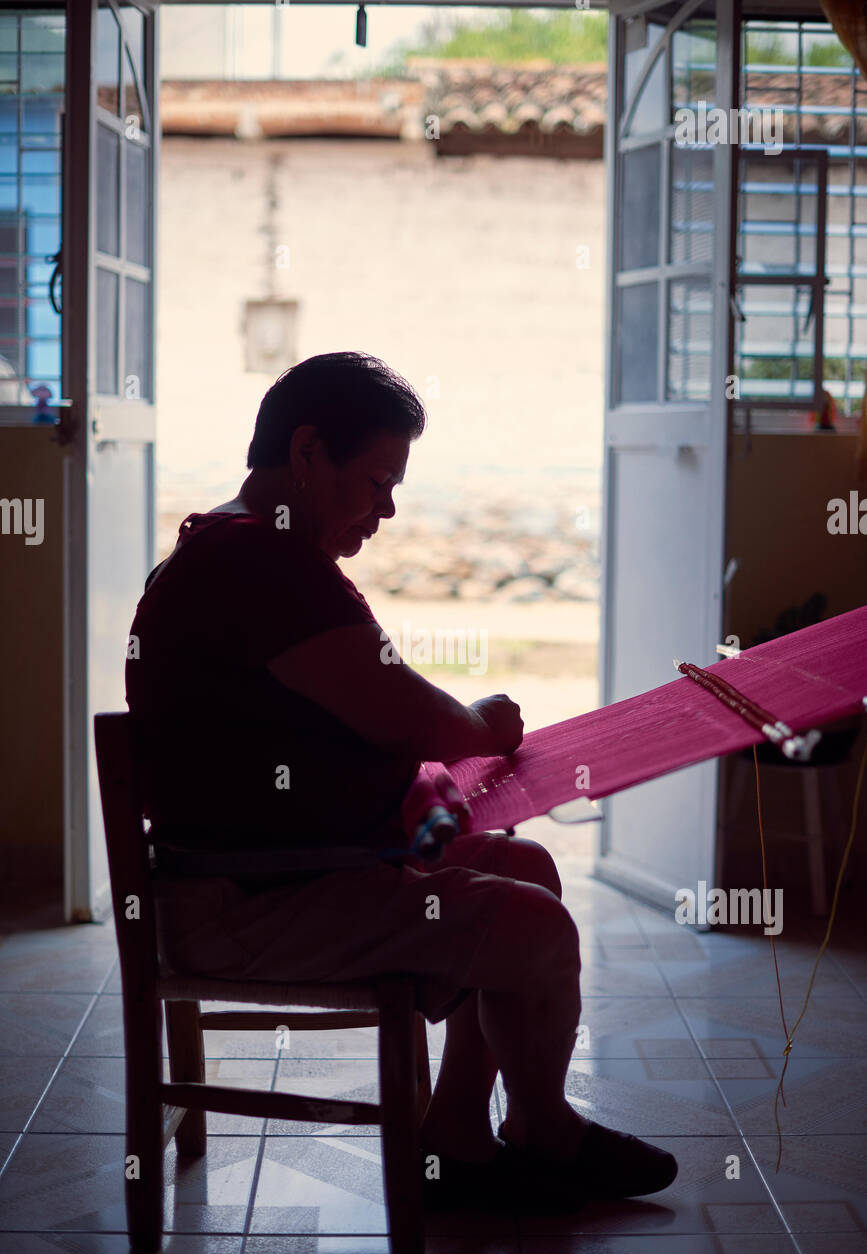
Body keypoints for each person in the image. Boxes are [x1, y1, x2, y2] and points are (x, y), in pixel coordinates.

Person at [126, 351, 677, 1208]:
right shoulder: (258, 565)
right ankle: (543, 1132)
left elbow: (367, 706)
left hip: (279, 877)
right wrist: (484, 725)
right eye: (377, 480)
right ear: (307, 453)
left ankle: (460, 1139)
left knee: (522, 867)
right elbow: (412, 720)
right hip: (245, 905)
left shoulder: (241, 554)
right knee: (533, 929)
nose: (385, 509)